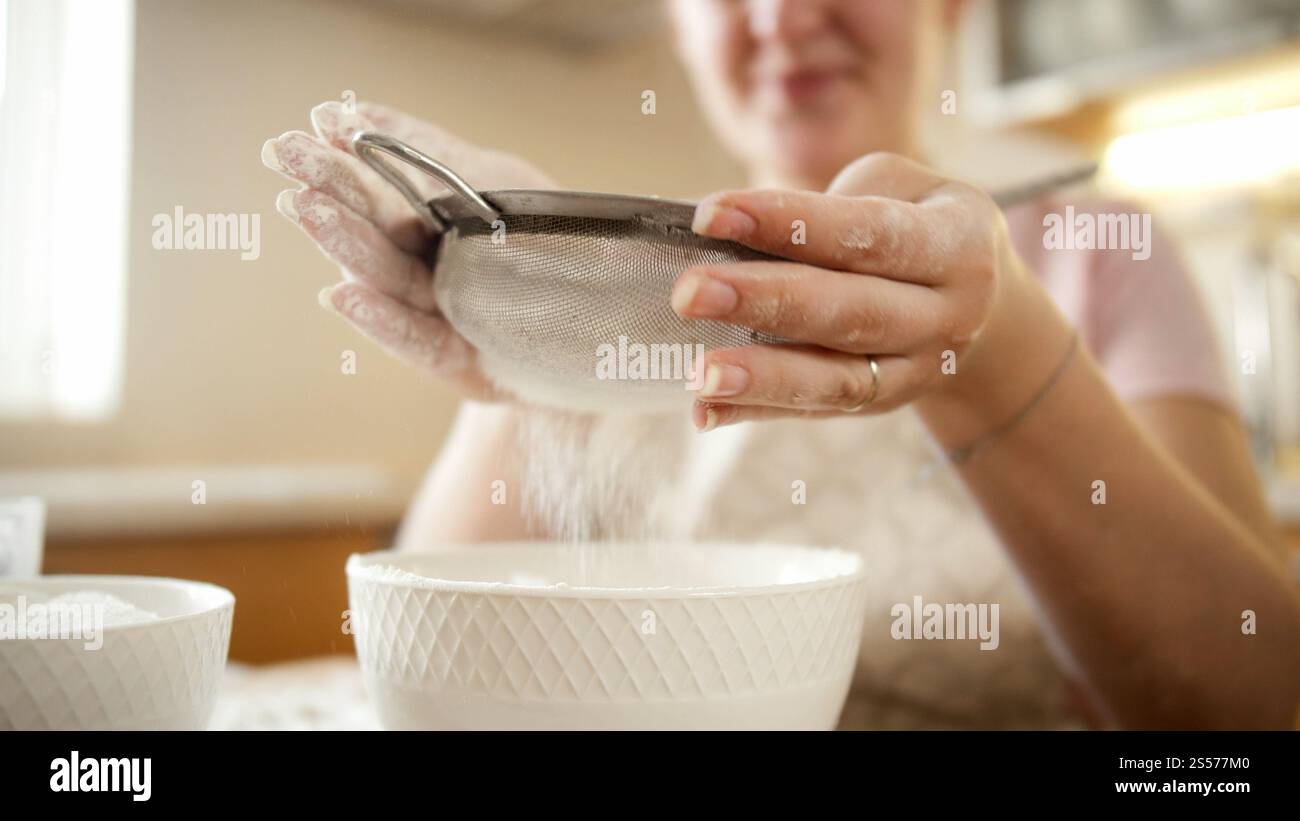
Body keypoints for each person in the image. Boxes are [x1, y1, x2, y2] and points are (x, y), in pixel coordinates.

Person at [262, 0, 1300, 728]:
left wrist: (999, 358)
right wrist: (540, 330)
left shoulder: (1097, 258)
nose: (781, 14)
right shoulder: (621, 293)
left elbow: (1251, 710)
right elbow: (442, 678)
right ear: (677, 20)